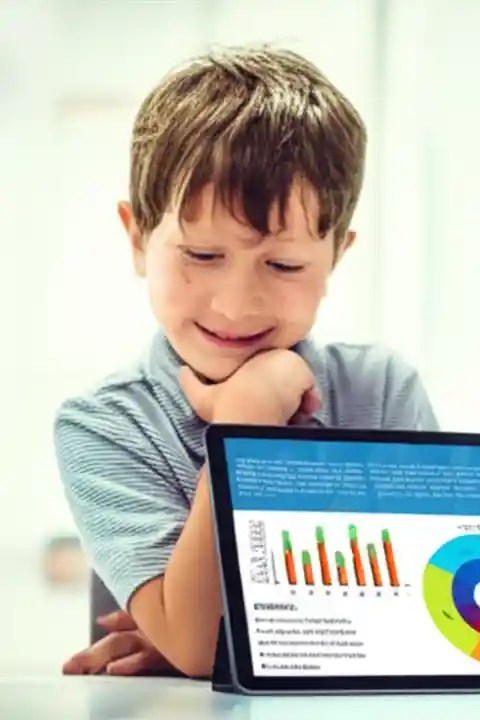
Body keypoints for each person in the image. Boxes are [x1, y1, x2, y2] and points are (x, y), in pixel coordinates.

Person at [54, 45, 438, 678]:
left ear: (336, 258)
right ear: (137, 239)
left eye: (283, 265)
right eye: (202, 255)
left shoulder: (382, 390)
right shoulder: (105, 426)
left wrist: (227, 633)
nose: (235, 305)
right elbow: (199, 645)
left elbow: (425, 618)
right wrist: (245, 420)